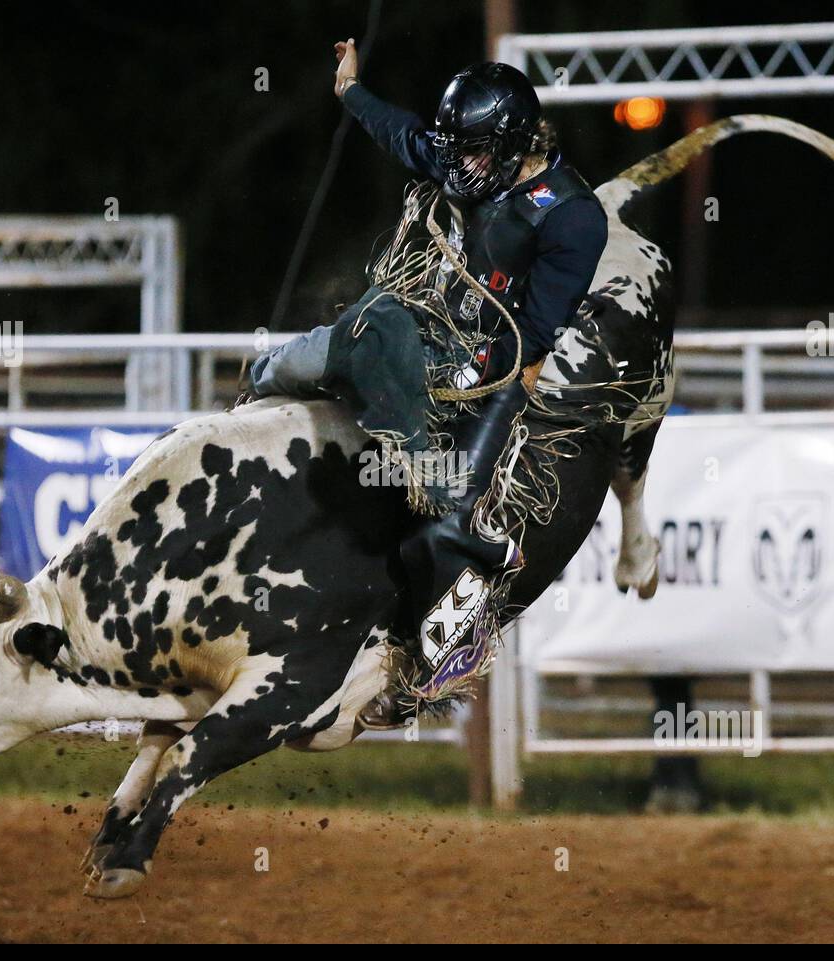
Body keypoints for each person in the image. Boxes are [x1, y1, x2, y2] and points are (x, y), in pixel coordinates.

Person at [249, 39, 608, 728]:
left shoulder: (571, 215)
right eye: (456, 148)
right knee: (302, 363)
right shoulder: (462, 161)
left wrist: (477, 383)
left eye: (472, 150)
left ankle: (460, 626)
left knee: (445, 504)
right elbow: (400, 132)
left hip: (495, 368)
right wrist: (350, 90)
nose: (457, 163)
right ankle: (253, 398)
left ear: (512, 145)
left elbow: (534, 334)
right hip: (424, 329)